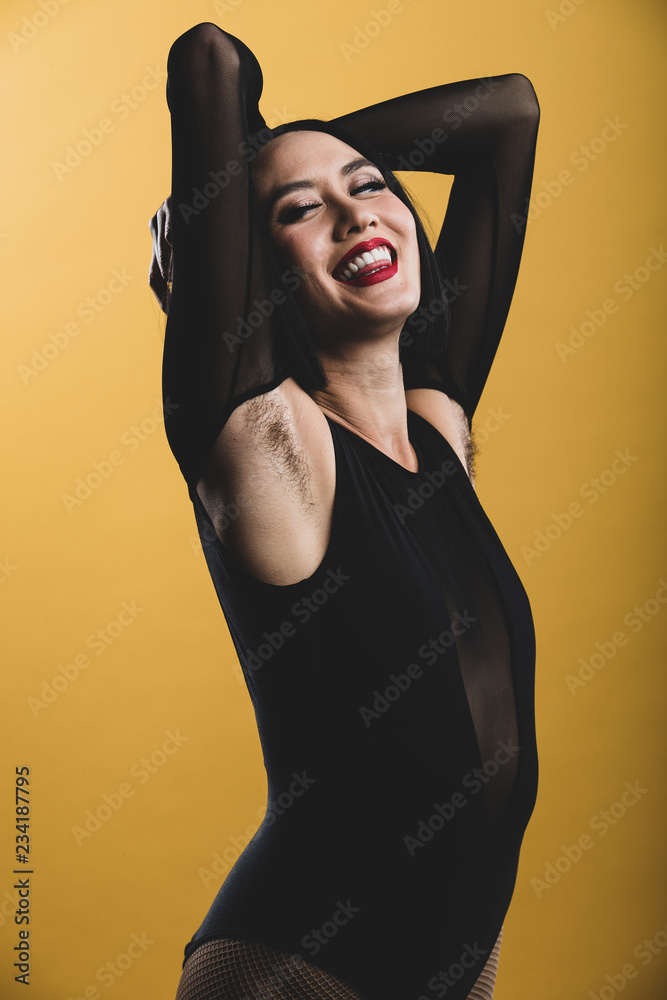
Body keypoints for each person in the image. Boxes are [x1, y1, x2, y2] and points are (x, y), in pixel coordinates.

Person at [149, 20, 540, 1000]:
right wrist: (217, 225)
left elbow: (508, 114)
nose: (356, 215)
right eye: (296, 210)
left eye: (370, 187)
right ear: (254, 264)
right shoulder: (266, 443)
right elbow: (209, 60)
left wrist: (311, 151)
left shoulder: (433, 426)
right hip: (301, 969)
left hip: (458, 961)